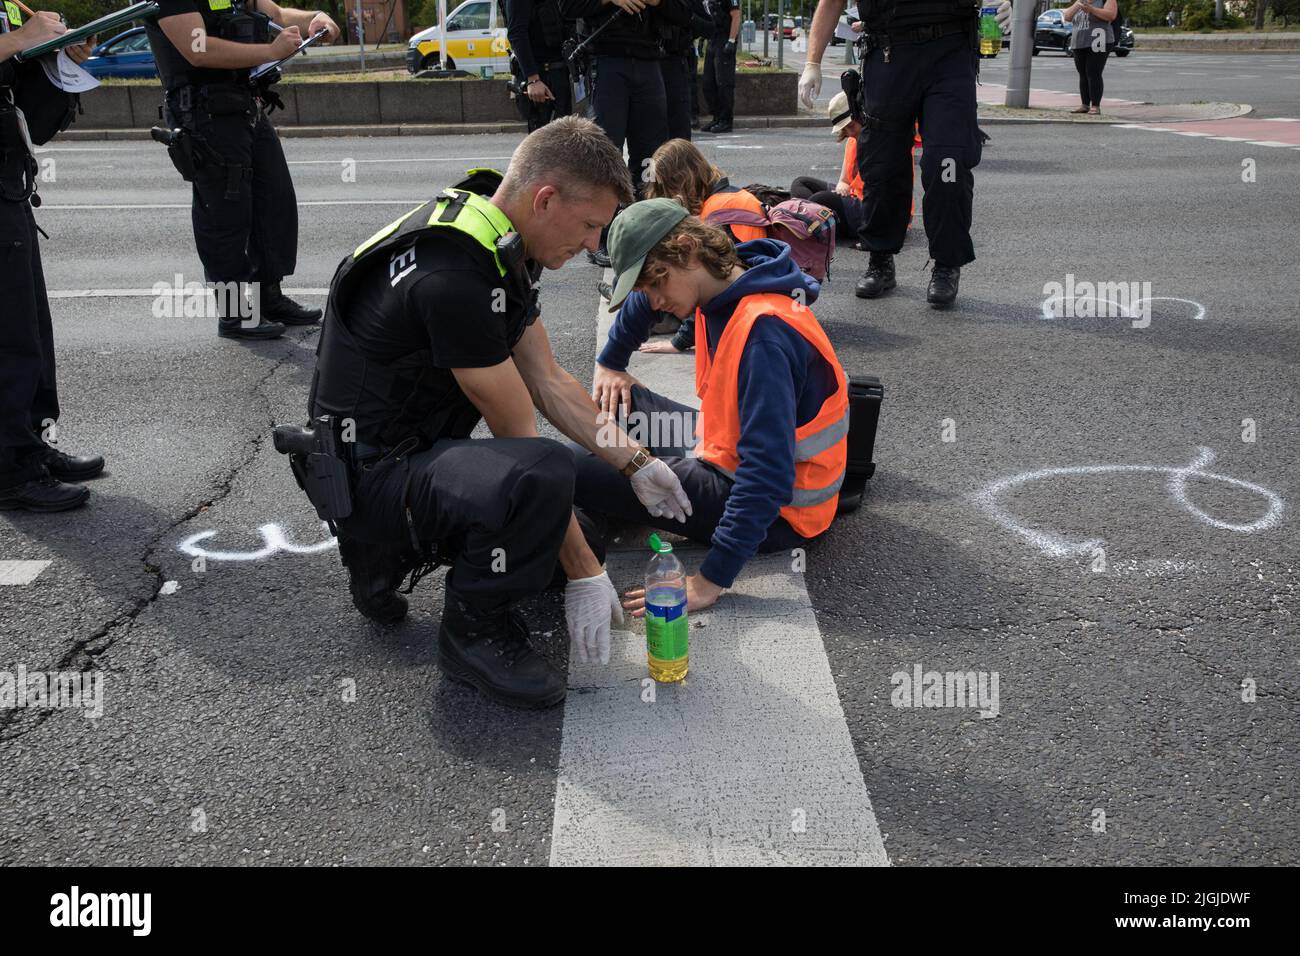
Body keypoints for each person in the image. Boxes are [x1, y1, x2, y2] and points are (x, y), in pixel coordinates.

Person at [304, 118, 693, 709]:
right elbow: (519, 437)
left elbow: (549, 381)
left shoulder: (495, 236)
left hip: (407, 456)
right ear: (545, 199)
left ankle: (384, 558)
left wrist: (636, 462)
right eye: (590, 225)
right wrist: (588, 573)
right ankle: (473, 635)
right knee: (542, 477)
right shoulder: (456, 275)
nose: (594, 245)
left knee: (571, 529)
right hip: (373, 475)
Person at [574, 200, 850, 616]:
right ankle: (606, 508)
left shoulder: (763, 336)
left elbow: (766, 475)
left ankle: (595, 516)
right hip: (719, 448)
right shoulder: (726, 281)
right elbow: (644, 301)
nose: (654, 300)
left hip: (778, 509)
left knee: (574, 464)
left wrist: (710, 581)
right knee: (612, 408)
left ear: (686, 248)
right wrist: (611, 363)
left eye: (654, 283)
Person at [144, 0, 339, 340]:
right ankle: (234, 315)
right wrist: (270, 50)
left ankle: (270, 297)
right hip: (203, 113)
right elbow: (197, 48)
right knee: (225, 216)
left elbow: (275, 14)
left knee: (273, 202)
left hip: (243, 104)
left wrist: (313, 18)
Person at [801, 0, 983, 308]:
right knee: (882, 164)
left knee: (947, 162)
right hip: (889, 53)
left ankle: (946, 265)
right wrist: (812, 63)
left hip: (950, 52)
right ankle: (880, 259)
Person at [0, 6, 106, 512]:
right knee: (7, 332)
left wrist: (52, 53)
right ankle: (10, 469)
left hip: (7, 170)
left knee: (29, 325)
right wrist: (23, 38)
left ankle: (32, 446)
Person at [601, 137, 765, 354]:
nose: (666, 196)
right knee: (650, 279)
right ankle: (622, 292)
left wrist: (679, 341)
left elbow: (713, 285)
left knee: (656, 279)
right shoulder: (725, 198)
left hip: (736, 305)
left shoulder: (717, 214)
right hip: (744, 296)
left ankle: (626, 296)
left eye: (665, 188)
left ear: (681, 181)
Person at [560, 0, 690, 266]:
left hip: (650, 61)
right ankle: (600, 237)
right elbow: (567, 8)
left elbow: (687, 14)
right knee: (605, 156)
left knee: (650, 157)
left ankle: (644, 232)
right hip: (606, 61)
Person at [790, 92, 920, 254]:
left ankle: (803, 222)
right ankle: (808, 221)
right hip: (855, 198)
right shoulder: (853, 140)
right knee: (801, 183)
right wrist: (842, 185)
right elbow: (844, 180)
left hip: (881, 211)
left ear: (862, 115)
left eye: (851, 126)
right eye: (844, 129)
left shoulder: (888, 137)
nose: (849, 133)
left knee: (820, 199)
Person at [505, 0, 573, 132]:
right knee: (542, 144)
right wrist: (533, 79)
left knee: (565, 140)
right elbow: (516, 33)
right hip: (541, 75)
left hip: (561, 71)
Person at [1064, 0, 1118, 115]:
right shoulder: (1079, 1)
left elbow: (1111, 15)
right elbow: (1067, 17)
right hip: (1079, 42)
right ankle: (1084, 104)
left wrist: (1092, 10)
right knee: (1082, 73)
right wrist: (1076, 6)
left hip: (1098, 39)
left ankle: (1095, 105)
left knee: (1093, 72)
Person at [701, 0, 739, 133]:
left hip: (725, 39)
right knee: (708, 83)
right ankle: (716, 117)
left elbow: (736, 16)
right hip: (713, 39)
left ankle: (726, 120)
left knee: (724, 83)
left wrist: (731, 40)